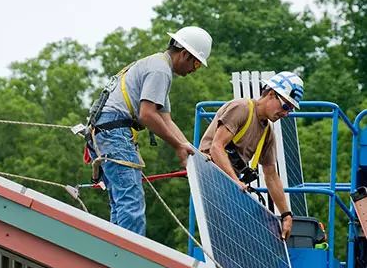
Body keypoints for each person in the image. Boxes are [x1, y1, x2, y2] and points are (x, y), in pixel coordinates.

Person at [86, 26, 213, 236]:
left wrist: (190, 151)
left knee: (122, 203)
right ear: (184, 54)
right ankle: (129, 260)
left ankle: (117, 254)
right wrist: (177, 145)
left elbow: (166, 120)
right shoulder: (159, 70)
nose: (195, 70)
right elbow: (147, 115)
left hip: (105, 131)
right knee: (131, 202)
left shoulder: (158, 66)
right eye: (197, 63)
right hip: (113, 132)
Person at [199, 71, 305, 240]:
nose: (285, 114)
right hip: (209, 177)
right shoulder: (241, 108)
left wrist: (286, 215)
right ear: (271, 94)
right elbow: (216, 147)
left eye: (290, 110)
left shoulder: (267, 133)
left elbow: (271, 175)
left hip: (229, 187)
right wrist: (235, 181)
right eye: (286, 106)